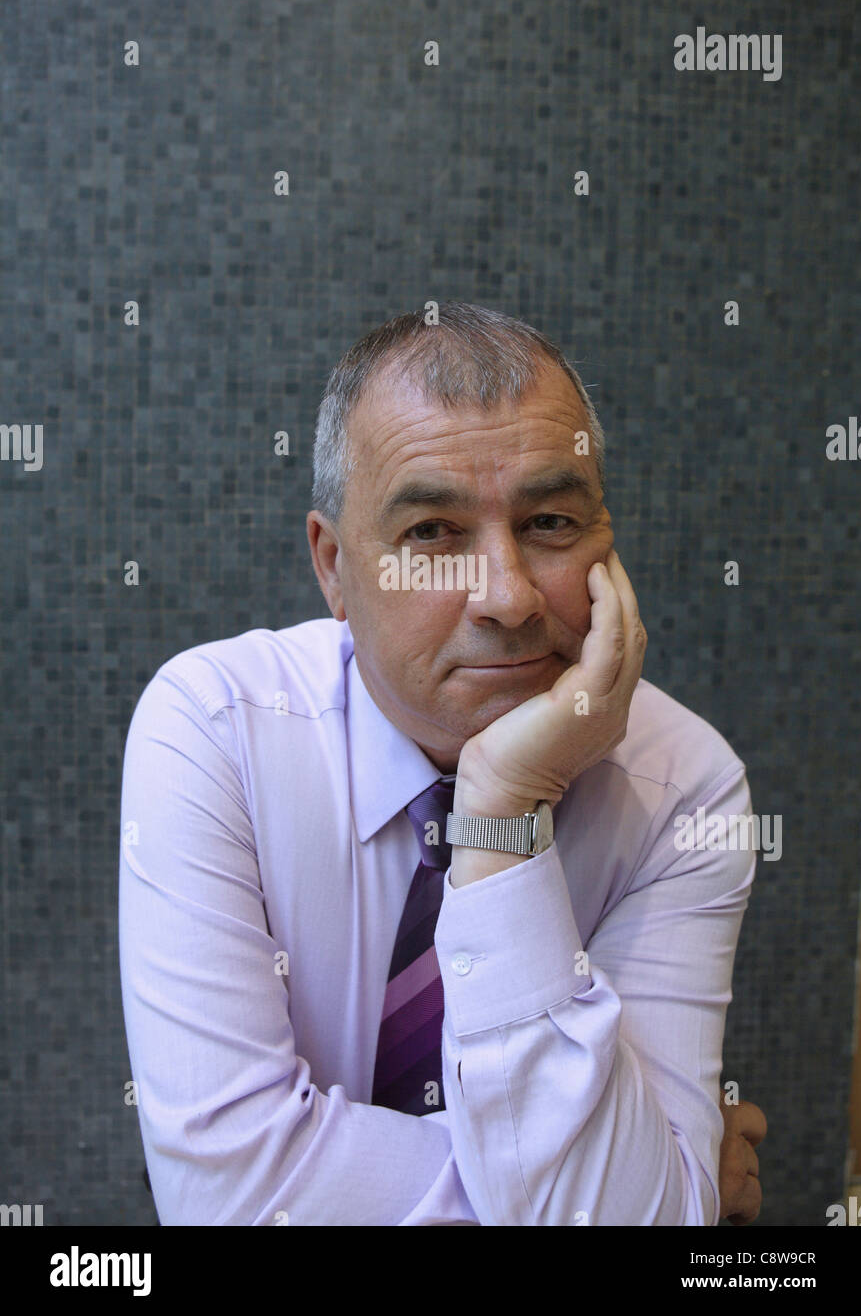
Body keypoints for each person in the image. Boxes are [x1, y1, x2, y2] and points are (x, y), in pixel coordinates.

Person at [120, 301, 765, 1224]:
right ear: (335, 569)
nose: (504, 596)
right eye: (432, 534)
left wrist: (502, 814)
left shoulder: (686, 788)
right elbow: (234, 1201)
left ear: (607, 544)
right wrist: (630, 1178)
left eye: (548, 521)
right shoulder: (215, 731)